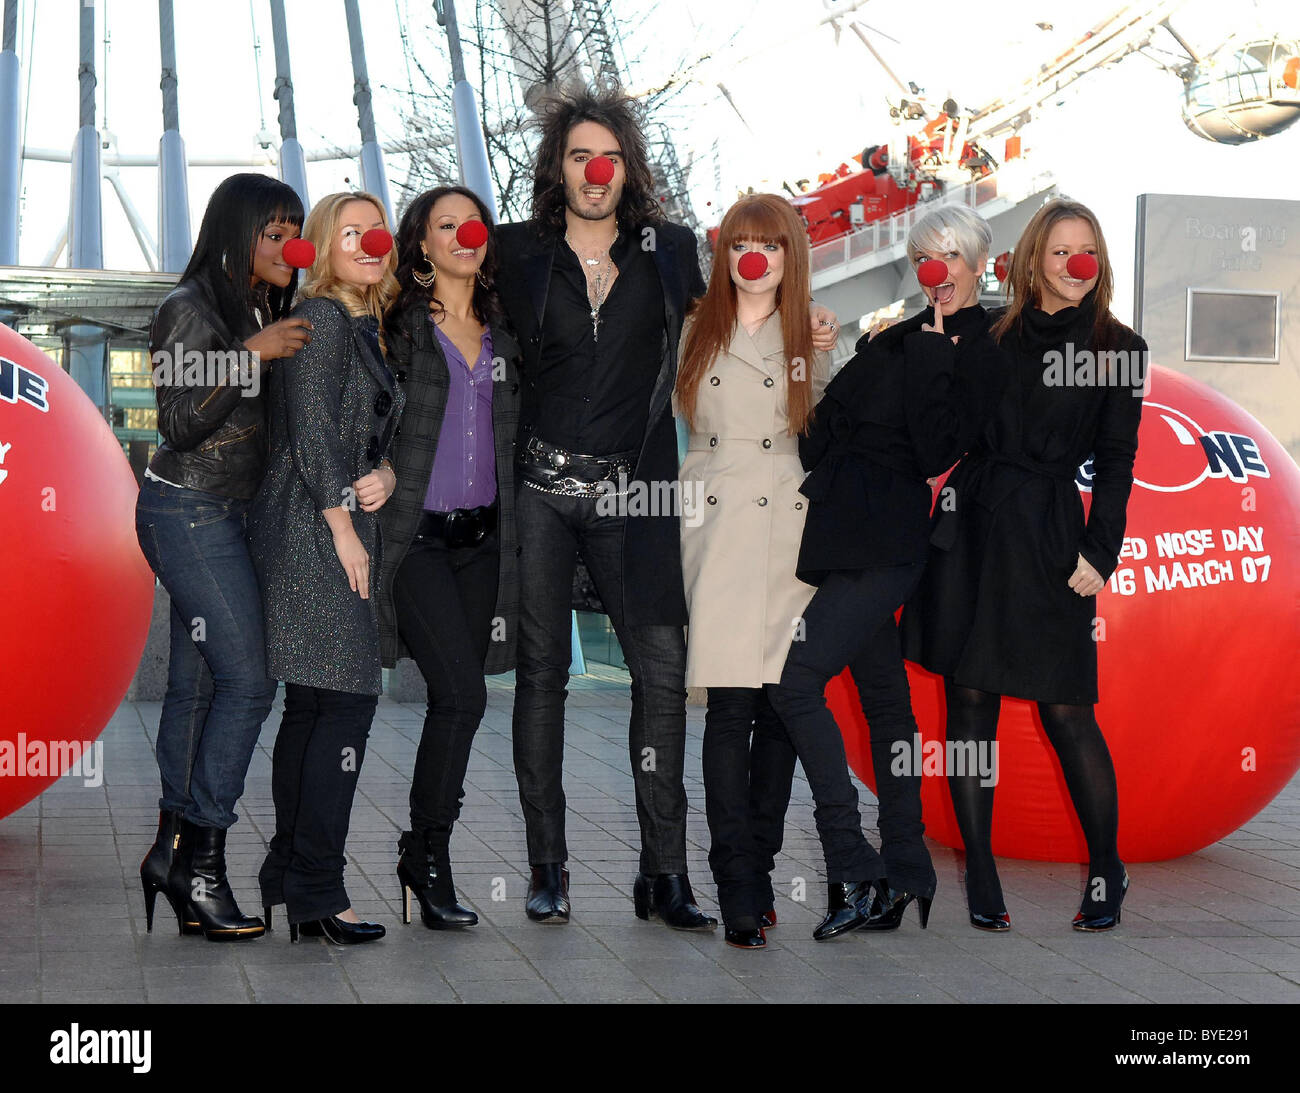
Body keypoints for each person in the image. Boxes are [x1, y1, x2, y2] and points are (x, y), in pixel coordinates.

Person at [493, 82, 840, 927]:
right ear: (560, 168)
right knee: (542, 678)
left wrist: (808, 332)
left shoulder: (671, 247)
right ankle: (547, 868)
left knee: (660, 675)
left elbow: (734, 313)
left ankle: (665, 875)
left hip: (634, 493)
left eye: (609, 156)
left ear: (628, 168)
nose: (596, 170)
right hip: (538, 492)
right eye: (579, 155)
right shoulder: (515, 251)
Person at [902, 199, 1145, 932]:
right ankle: (979, 864)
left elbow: (1117, 461)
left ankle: (1107, 865)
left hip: (1048, 536)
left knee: (1067, 709)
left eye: (1090, 251)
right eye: (1063, 249)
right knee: (970, 700)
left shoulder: (1118, 347)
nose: (1078, 263)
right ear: (1036, 256)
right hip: (974, 527)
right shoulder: (991, 334)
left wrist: (1100, 552)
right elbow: (941, 437)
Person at [768, 204, 1008, 940]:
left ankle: (854, 859)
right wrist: (811, 354)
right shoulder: (893, 335)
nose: (937, 271)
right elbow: (819, 439)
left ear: (976, 263)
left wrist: (936, 351)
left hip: (892, 540)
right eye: (926, 258)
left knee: (794, 679)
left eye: (951, 258)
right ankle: (907, 869)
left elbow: (939, 447)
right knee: (885, 706)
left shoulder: (988, 340)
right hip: (841, 532)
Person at [136, 173, 311, 941]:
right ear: (238, 233)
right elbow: (177, 421)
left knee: (197, 686)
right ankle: (205, 857)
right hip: (187, 510)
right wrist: (252, 354)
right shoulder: (188, 308)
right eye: (274, 232)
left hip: (231, 515)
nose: (289, 246)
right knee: (249, 681)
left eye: (295, 231)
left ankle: (171, 851)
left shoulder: (262, 305)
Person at [249, 191, 404, 945]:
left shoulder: (360, 325)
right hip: (317, 531)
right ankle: (317, 885)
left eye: (377, 230)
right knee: (344, 707)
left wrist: (390, 476)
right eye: (351, 232)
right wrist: (346, 531)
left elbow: (354, 438)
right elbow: (311, 439)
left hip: (322, 520)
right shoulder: (327, 319)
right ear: (324, 244)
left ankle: (292, 878)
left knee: (314, 710)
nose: (370, 241)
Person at [674, 193, 827, 949]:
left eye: (768, 243)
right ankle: (736, 882)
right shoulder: (694, 329)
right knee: (730, 708)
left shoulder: (813, 334)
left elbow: (831, 434)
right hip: (719, 521)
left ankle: (760, 867)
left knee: (781, 713)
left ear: (790, 253)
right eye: (740, 243)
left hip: (791, 532)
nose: (753, 257)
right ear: (724, 252)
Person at [377, 186, 522, 930]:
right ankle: (426, 856)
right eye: (446, 226)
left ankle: (424, 854)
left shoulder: (506, 328)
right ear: (423, 245)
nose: (465, 235)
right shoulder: (397, 327)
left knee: (456, 703)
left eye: (474, 224)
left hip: (484, 545)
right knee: (463, 696)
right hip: (417, 543)